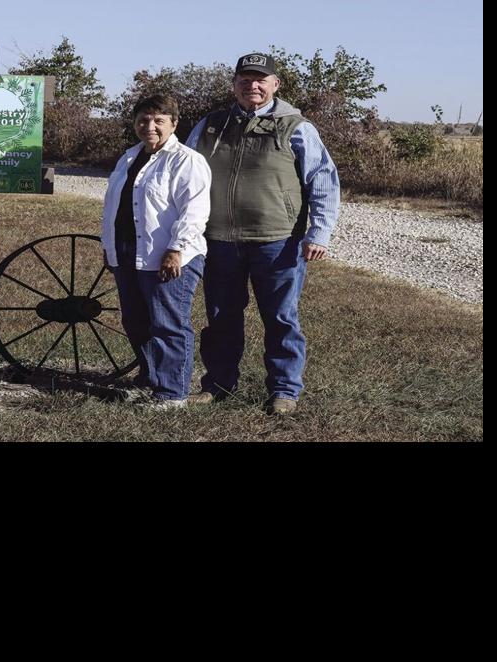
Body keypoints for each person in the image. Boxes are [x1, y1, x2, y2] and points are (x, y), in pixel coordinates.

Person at [184, 52, 340, 415]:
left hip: (278, 241)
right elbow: (185, 172)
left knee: (281, 318)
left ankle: (284, 391)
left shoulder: (296, 126)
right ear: (234, 84)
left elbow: (323, 181)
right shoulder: (211, 125)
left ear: (275, 85)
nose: (252, 86)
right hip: (219, 240)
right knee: (221, 317)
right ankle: (218, 385)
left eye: (260, 80)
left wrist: (318, 233)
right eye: (244, 80)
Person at [101, 93, 212, 408]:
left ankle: (172, 393)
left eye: (158, 120)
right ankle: (151, 378)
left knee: (168, 323)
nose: (149, 126)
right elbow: (115, 206)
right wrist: (108, 245)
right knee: (135, 321)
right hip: (128, 252)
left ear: (173, 124)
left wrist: (176, 249)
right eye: (143, 119)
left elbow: (194, 212)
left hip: (168, 255)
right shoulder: (129, 157)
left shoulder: (187, 161)